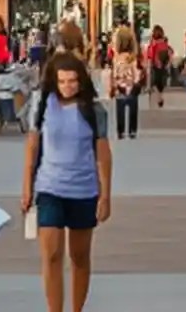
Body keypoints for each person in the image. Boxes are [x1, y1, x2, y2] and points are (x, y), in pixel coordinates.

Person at [22, 52, 112, 312]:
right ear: (54, 81)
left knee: (80, 256)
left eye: (73, 81)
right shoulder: (41, 103)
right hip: (49, 187)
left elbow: (103, 155)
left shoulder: (94, 111)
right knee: (51, 255)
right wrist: (27, 186)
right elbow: (32, 146)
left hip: (84, 189)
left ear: (81, 82)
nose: (67, 86)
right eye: (62, 81)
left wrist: (105, 195)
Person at [109, 26, 143, 139]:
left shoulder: (116, 58)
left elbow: (114, 74)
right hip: (132, 86)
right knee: (133, 108)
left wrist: (113, 87)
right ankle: (132, 129)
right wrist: (136, 83)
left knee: (120, 110)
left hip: (120, 87)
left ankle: (121, 130)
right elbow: (137, 73)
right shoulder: (133, 58)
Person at [145, 25, 171, 109]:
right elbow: (170, 53)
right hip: (163, 66)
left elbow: (150, 55)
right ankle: (160, 97)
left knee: (154, 83)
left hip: (155, 65)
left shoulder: (154, 43)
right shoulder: (164, 43)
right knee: (160, 84)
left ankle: (158, 99)